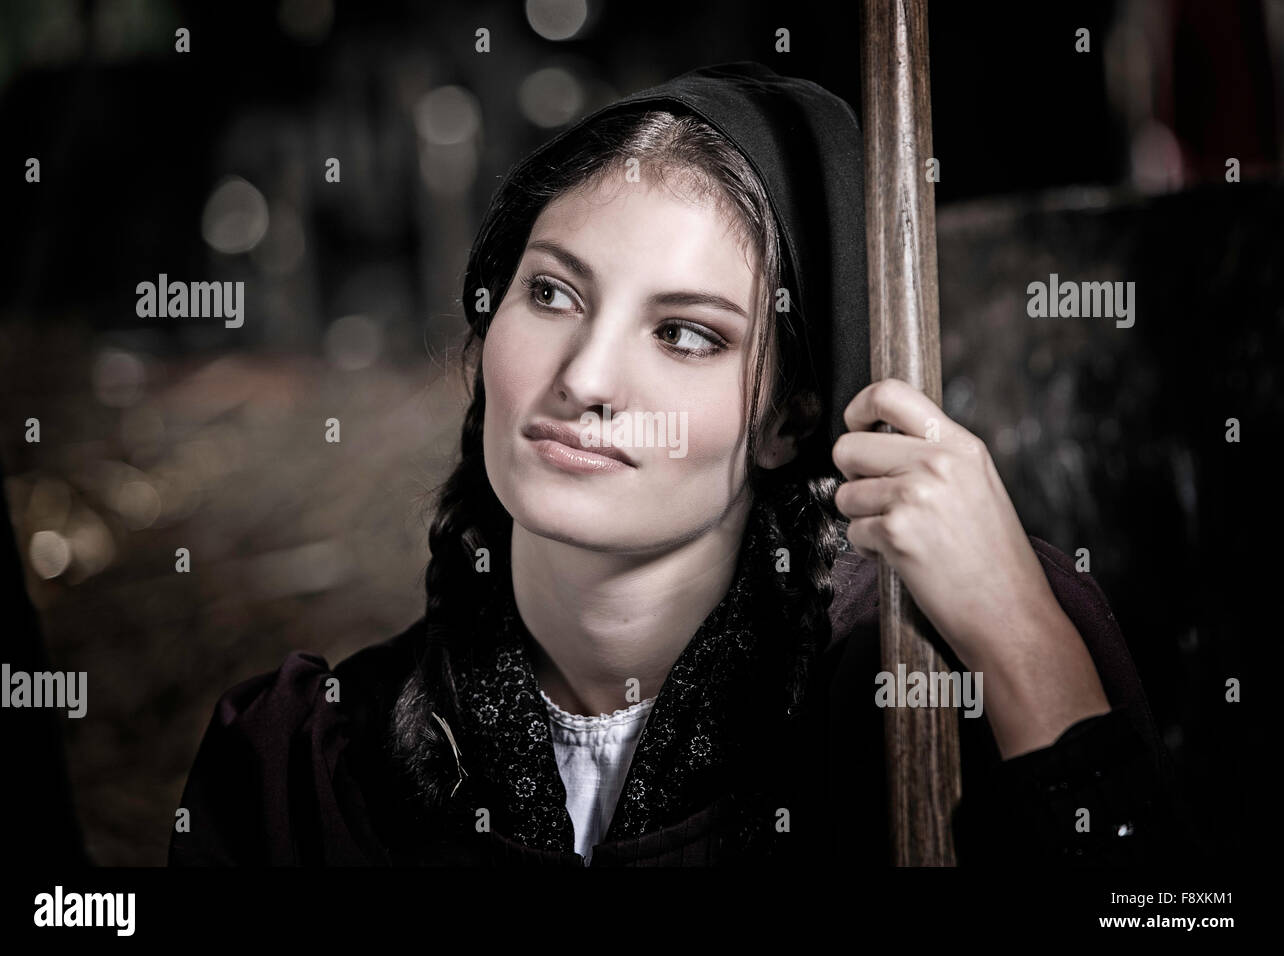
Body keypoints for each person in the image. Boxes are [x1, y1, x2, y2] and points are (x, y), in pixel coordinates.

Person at [169, 61, 1181, 867]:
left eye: (687, 334)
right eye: (554, 294)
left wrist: (1020, 641)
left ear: (789, 420)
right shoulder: (305, 769)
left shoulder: (917, 692)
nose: (586, 377)